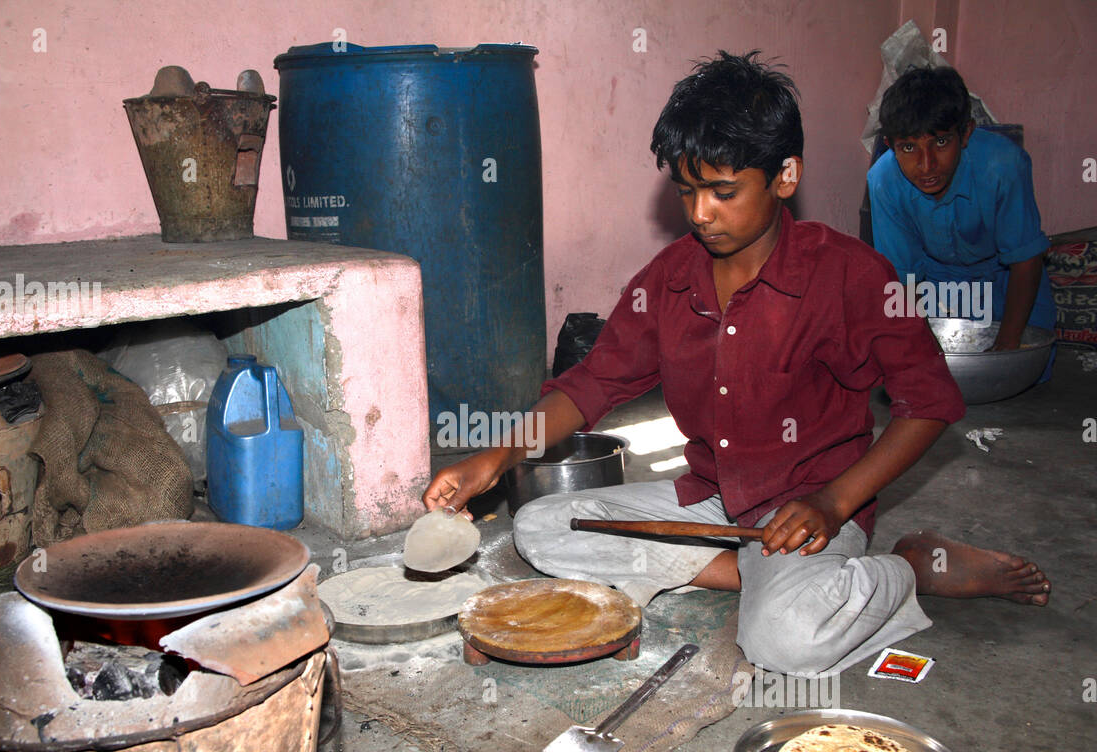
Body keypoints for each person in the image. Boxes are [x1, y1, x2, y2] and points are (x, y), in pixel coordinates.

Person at [422, 52, 1051, 677]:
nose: (700, 214)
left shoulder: (851, 276)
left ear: (784, 176)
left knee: (785, 644)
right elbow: (591, 383)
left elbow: (929, 402)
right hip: (712, 501)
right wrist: (496, 457)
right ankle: (760, 576)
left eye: (723, 192)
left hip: (811, 516)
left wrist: (834, 503)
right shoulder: (669, 279)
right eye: (688, 190)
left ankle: (909, 566)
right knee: (539, 528)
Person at [868, 65, 1057, 357]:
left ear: (966, 133)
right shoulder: (884, 181)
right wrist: (929, 354)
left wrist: (1007, 346)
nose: (927, 164)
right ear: (890, 145)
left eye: (941, 142)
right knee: (906, 360)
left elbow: (1025, 259)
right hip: (933, 282)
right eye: (908, 147)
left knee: (1030, 362)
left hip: (1006, 276)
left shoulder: (1003, 164)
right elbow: (904, 280)